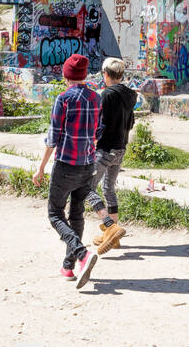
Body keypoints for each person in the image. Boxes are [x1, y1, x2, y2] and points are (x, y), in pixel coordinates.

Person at [33, 53, 101, 287]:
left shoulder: (64, 99)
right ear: (83, 75)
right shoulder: (96, 98)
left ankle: (82, 254)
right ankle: (68, 266)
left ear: (66, 75)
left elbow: (53, 138)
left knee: (54, 214)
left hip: (65, 166)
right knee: (77, 214)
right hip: (87, 165)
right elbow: (98, 132)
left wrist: (40, 168)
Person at [86, 57, 137, 254]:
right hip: (121, 147)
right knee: (109, 188)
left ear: (105, 74)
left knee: (87, 188)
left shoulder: (106, 95)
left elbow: (100, 124)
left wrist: (93, 142)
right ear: (121, 75)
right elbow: (130, 122)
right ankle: (111, 236)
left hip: (105, 149)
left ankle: (110, 226)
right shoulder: (130, 95)